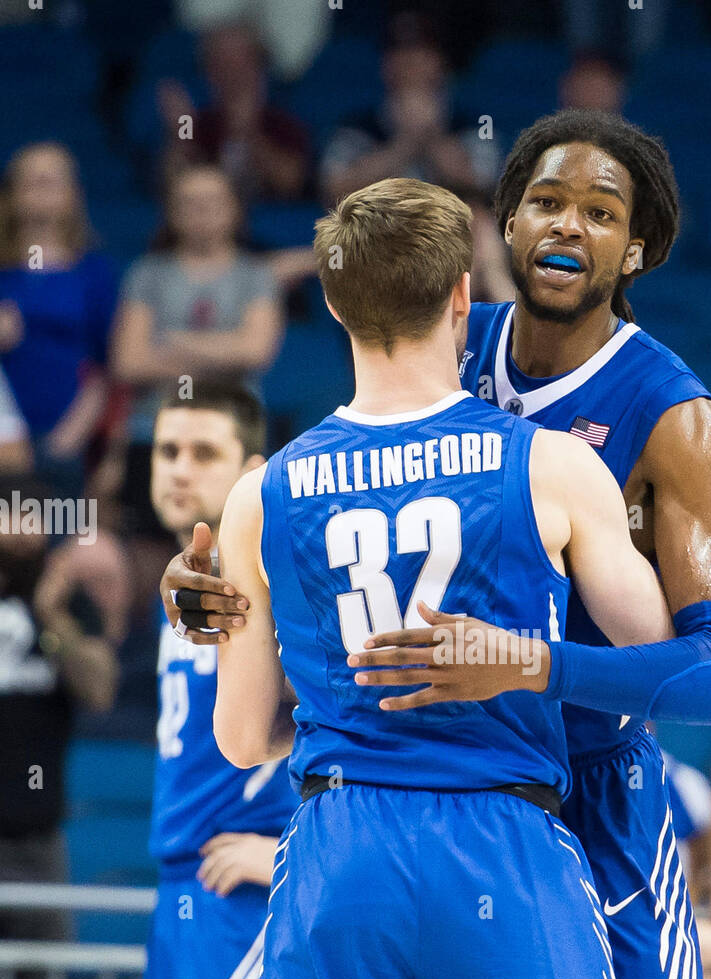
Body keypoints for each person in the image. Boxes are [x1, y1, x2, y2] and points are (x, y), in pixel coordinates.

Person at [162, 109, 711, 979]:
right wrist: (212, 591)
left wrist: (536, 666)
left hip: (587, 788)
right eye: (544, 199)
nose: (566, 225)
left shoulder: (673, 414)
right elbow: (301, 530)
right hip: (443, 786)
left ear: (635, 250)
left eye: (600, 212)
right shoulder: (444, 337)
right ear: (500, 225)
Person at [142, 382, 296, 979]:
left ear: (251, 468)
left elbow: (355, 707)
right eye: (166, 451)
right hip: (185, 901)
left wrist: (292, 857)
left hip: (247, 901)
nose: (178, 469)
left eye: (202, 451)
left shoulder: (270, 568)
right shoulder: (185, 570)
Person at [110, 164, 281, 587]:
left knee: (236, 554)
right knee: (151, 561)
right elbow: (129, 361)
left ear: (234, 209)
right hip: (150, 433)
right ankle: (161, 644)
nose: (201, 211)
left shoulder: (255, 274)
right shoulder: (147, 273)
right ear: (170, 211)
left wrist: (173, 342)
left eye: (213, 202)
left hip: (234, 437)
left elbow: (257, 350)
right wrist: (225, 352)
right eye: (189, 203)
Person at [0, 473, 119, 979]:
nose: (18, 529)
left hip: (35, 840)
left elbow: (99, 689)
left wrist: (50, 616)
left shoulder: (63, 603)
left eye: (29, 516)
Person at [0, 143, 119, 498]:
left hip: (67, 433)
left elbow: (109, 363)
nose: (41, 189)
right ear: (12, 195)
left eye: (52, 181)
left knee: (62, 540)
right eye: (31, 181)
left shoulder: (93, 271)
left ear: (73, 194)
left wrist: (71, 434)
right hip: (5, 431)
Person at [318, 23, 498, 206]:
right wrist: (406, 142)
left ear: (440, 62)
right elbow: (334, 190)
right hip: (379, 226)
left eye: (420, 52)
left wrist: (430, 134)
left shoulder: (473, 123)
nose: (410, 62)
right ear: (385, 65)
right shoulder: (357, 125)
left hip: (453, 227)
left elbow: (482, 186)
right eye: (400, 53)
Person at [159, 22, 312, 202]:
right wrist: (181, 136)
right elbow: (171, 187)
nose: (231, 73)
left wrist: (247, 133)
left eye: (238, 61)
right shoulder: (198, 123)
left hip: (271, 219)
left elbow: (290, 184)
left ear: (260, 66)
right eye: (220, 62)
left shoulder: (285, 118)